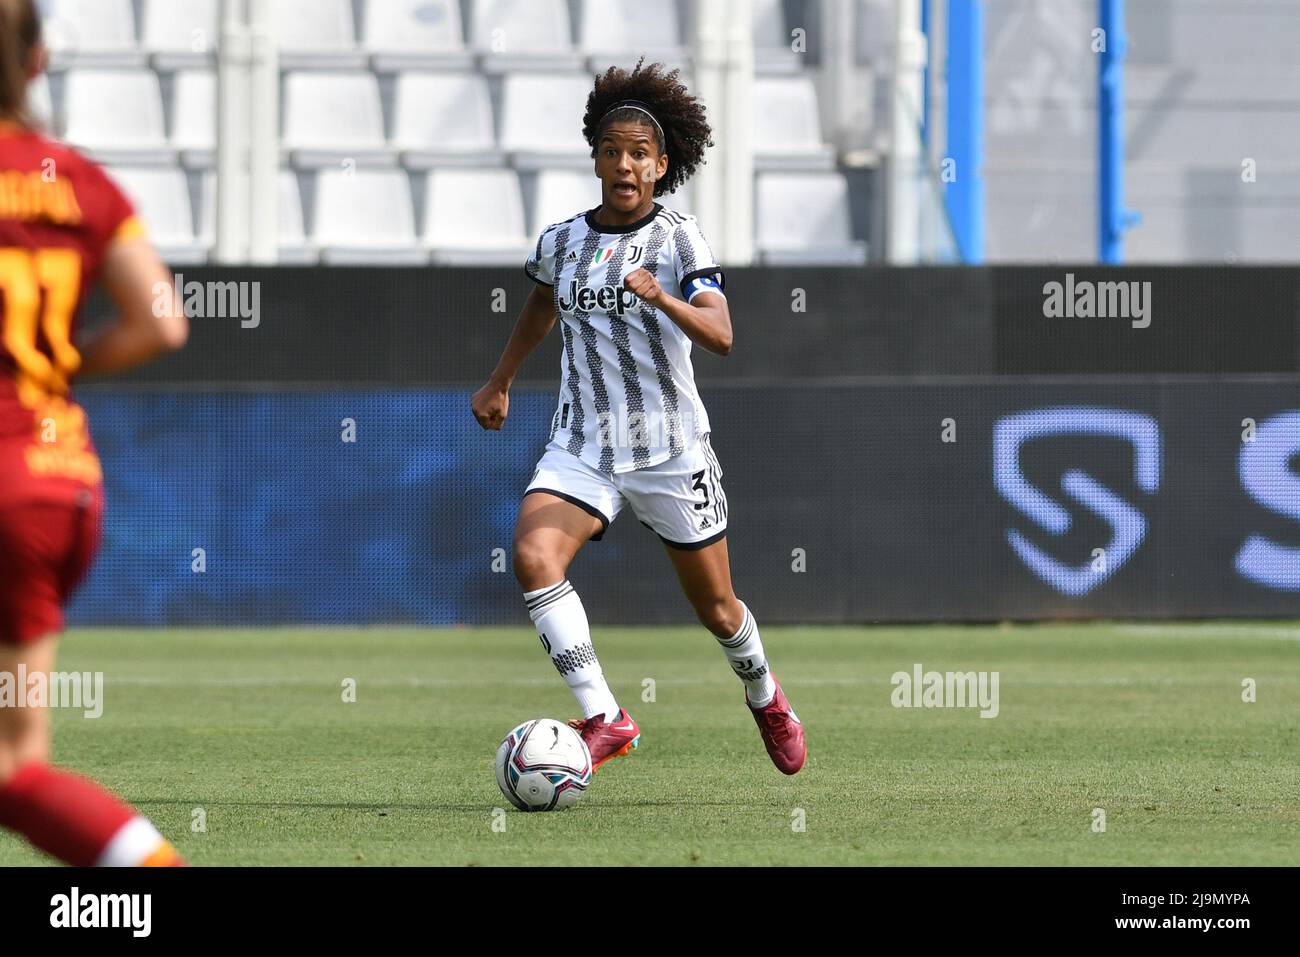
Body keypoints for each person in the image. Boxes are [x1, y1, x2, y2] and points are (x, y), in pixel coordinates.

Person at [472, 59, 806, 775]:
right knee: (533, 557)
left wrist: (663, 299)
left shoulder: (680, 240)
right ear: (596, 157)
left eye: (639, 154)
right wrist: (501, 379)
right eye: (611, 150)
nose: (624, 163)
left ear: (660, 166)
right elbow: (540, 304)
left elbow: (721, 336)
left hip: (667, 448)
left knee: (718, 609)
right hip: (584, 442)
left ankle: (765, 693)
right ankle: (604, 716)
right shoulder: (560, 242)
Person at [0, 0, 190, 865]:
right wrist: (55, 366)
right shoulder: (79, 181)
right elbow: (163, 322)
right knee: (14, 764)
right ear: (37, 61)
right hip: (58, 483)